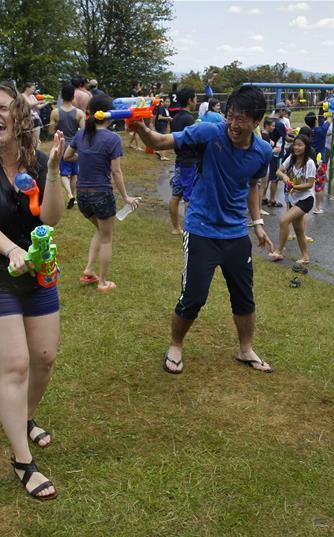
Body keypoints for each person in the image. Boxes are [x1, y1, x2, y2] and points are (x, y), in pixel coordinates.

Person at [0, 82, 66, 501]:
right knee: (16, 364)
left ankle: (24, 418)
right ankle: (22, 461)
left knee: (44, 358)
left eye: (3, 107)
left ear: (20, 118)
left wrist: (54, 170)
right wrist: (14, 250)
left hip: (36, 272)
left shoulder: (38, 161)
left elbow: (52, 217)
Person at [132, 85, 275, 374]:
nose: (234, 125)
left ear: (257, 122)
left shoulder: (263, 152)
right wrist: (141, 127)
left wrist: (257, 223)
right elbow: (161, 141)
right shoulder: (210, 134)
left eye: (242, 119)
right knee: (194, 296)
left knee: (244, 296)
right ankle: (175, 344)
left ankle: (245, 349)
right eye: (231, 116)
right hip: (201, 229)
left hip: (236, 234)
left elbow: (251, 187)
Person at [64, 94, 140, 292]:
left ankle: (89, 271)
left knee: (100, 231)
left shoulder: (82, 134)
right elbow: (116, 171)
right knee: (107, 237)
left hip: (82, 195)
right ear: (109, 113)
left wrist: (85, 158)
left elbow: (67, 156)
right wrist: (125, 197)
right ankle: (103, 282)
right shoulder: (112, 139)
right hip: (101, 195)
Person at [268, 134, 317, 264]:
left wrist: (295, 187)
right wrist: (284, 177)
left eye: (300, 145)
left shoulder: (310, 163)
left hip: (306, 199)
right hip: (293, 198)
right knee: (299, 230)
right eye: (295, 144)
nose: (296, 147)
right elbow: (278, 171)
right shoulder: (291, 158)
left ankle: (279, 251)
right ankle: (305, 257)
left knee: (284, 220)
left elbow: (310, 184)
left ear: (306, 147)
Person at [48, 84, 85, 209]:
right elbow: (83, 132)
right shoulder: (79, 113)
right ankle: (72, 195)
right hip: (75, 146)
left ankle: (69, 195)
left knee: (64, 173)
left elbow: (50, 131)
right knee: (74, 173)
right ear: (73, 97)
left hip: (62, 145)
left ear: (62, 96)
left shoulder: (55, 112)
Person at [168, 87, 198, 235]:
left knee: (176, 195)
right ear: (190, 100)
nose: (196, 101)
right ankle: (190, 230)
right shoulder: (189, 119)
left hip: (179, 160)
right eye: (195, 97)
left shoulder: (175, 118)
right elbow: (195, 140)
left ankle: (175, 228)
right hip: (189, 162)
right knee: (189, 197)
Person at [152, 96, 172, 161]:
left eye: (169, 102)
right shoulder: (161, 108)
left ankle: (158, 151)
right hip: (160, 125)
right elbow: (159, 117)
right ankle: (163, 156)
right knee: (165, 141)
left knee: (161, 140)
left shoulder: (166, 109)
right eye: (167, 101)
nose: (168, 103)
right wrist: (168, 118)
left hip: (164, 126)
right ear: (163, 102)